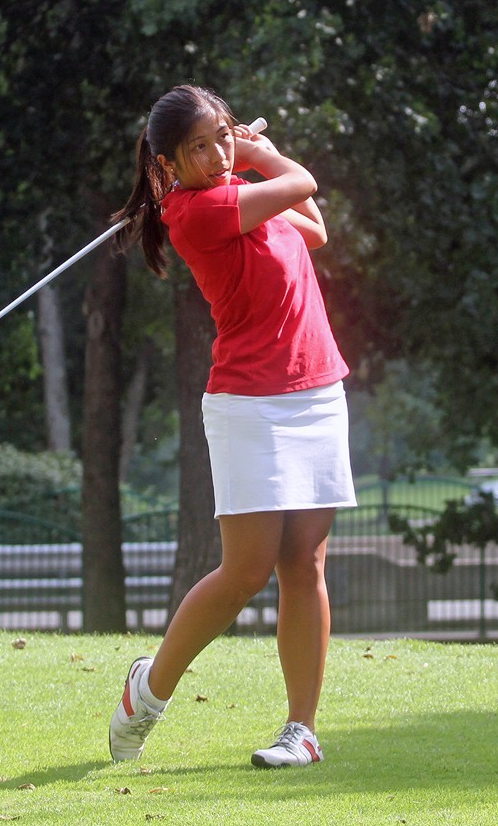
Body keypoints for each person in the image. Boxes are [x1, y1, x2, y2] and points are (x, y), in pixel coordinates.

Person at [106, 85, 353, 769]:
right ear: (168, 165)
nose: (218, 155)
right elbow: (303, 180)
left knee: (304, 564)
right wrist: (260, 152)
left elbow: (314, 226)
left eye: (222, 137)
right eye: (201, 146)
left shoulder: (237, 192)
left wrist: (249, 160)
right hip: (251, 404)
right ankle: (148, 691)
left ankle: (301, 730)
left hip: (316, 390)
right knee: (246, 570)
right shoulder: (202, 210)